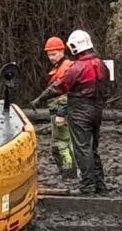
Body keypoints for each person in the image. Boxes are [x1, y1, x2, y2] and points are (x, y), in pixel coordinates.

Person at [31, 30, 110, 194]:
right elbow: (107, 89)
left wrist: (40, 99)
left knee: (82, 148)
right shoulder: (101, 64)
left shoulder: (77, 67)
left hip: (80, 110)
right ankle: (100, 184)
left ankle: (87, 185)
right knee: (93, 148)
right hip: (97, 109)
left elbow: (60, 86)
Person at [43, 36, 76, 180]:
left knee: (62, 144)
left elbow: (67, 94)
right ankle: (70, 173)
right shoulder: (60, 67)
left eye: (54, 53)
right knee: (64, 143)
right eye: (49, 54)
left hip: (61, 112)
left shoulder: (66, 68)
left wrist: (61, 113)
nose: (51, 57)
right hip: (58, 111)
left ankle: (69, 174)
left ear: (62, 51)